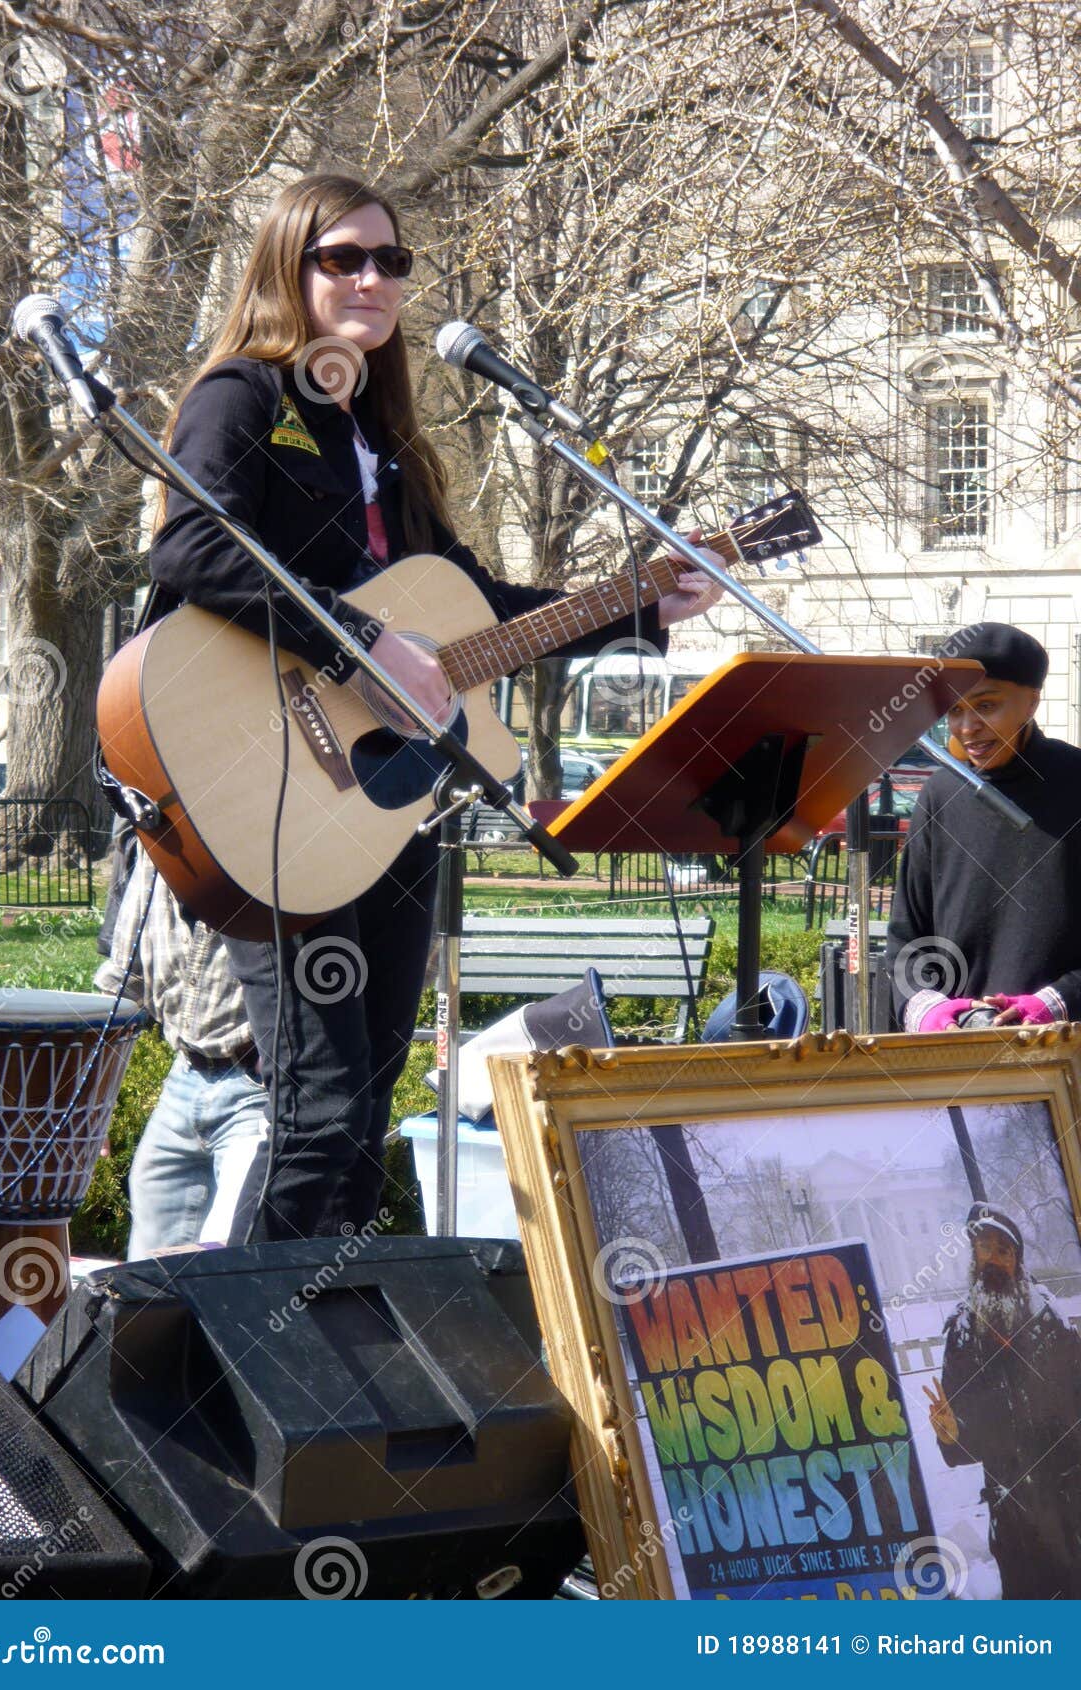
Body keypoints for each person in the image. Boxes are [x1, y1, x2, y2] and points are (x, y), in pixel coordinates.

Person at [148, 172, 722, 1241]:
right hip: (273, 789)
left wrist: (642, 603)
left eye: (392, 261)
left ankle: (335, 1362)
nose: (373, 278)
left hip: (395, 795)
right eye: (343, 258)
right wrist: (358, 638)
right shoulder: (244, 397)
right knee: (317, 1109)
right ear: (289, 268)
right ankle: (236, 1380)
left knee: (362, 1109)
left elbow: (476, 615)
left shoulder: (393, 441)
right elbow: (190, 549)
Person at [886, 622, 1081, 1032]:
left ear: (1031, 702)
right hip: (960, 1052)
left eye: (986, 706)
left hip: (1065, 1049)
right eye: (954, 709)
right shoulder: (941, 793)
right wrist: (928, 1009)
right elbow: (907, 936)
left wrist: (1056, 1002)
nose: (967, 728)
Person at [95, 845, 269, 1258]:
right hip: (183, 1079)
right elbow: (122, 982)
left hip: (258, 1088)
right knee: (142, 1279)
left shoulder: (271, 843)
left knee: (225, 1260)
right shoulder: (153, 847)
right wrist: (93, 1103)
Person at [924, 1202, 1081, 1598]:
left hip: (1071, 1507)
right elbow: (966, 1442)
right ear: (974, 1257)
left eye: (1003, 1250)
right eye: (983, 1248)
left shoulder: (1052, 1323)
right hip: (1013, 1519)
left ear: (1018, 1260)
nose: (992, 1259)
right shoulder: (962, 1335)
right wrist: (951, 1435)